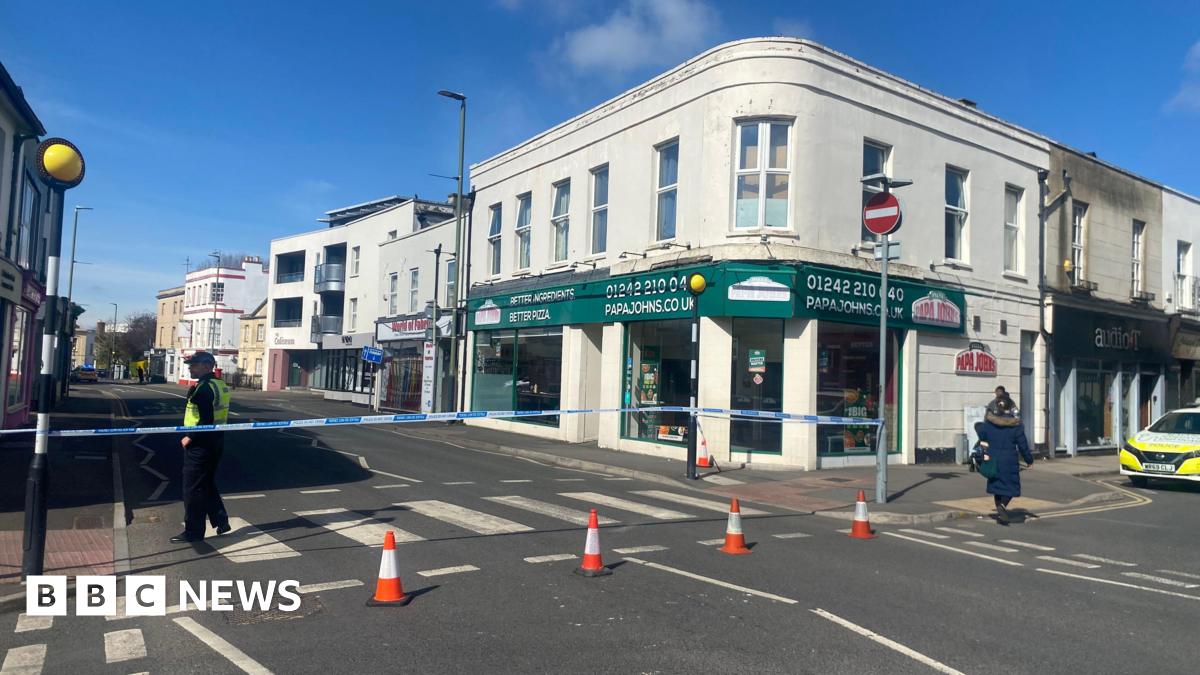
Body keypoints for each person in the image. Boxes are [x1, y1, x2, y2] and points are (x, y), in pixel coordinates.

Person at [172, 351, 232, 543]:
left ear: (207, 366)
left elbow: (206, 420)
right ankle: (220, 520)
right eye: (190, 364)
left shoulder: (203, 388)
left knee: (192, 489)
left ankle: (194, 532)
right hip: (216, 441)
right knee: (204, 482)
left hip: (200, 444)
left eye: (194, 364)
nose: (190, 367)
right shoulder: (219, 384)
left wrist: (189, 437)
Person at [978, 397, 1033, 525]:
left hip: (993, 458)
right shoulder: (1016, 426)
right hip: (1009, 460)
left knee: (997, 485)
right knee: (1011, 487)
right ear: (1010, 408)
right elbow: (1023, 445)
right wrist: (1029, 460)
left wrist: (984, 455)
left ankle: (1000, 509)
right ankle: (1002, 506)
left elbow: (982, 435)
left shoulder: (989, 424)